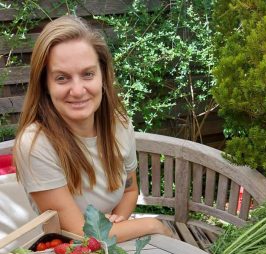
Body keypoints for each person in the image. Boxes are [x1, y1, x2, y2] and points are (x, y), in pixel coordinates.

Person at [12, 15, 171, 241]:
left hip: (113, 245)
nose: (77, 90)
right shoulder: (36, 145)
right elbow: (78, 234)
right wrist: (153, 224)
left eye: (88, 74)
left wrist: (116, 223)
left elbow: (129, 190)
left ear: (102, 77)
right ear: (45, 85)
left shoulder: (119, 123)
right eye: (62, 78)